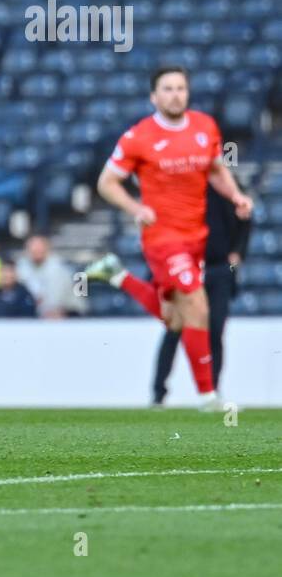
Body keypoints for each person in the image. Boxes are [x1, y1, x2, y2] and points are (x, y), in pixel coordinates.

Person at [87, 66, 252, 411]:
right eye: (167, 88)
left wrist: (235, 195)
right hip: (163, 238)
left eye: (181, 88)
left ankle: (117, 275)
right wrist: (135, 208)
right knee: (198, 304)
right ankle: (208, 396)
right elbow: (107, 182)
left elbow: (216, 169)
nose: (175, 94)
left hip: (196, 238)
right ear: (154, 96)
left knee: (175, 318)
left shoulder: (205, 127)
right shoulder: (139, 137)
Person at [150, 183, 252, 406]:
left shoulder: (226, 184)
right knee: (175, 329)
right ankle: (158, 393)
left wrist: (238, 252)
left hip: (218, 269)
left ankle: (211, 392)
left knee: (215, 329)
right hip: (186, 267)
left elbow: (245, 217)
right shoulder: (180, 183)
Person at [15, 234, 83, 318]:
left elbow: (57, 300)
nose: (36, 250)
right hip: (31, 316)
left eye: (39, 248)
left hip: (66, 315)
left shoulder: (60, 268)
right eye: (33, 248)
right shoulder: (21, 267)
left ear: (47, 248)